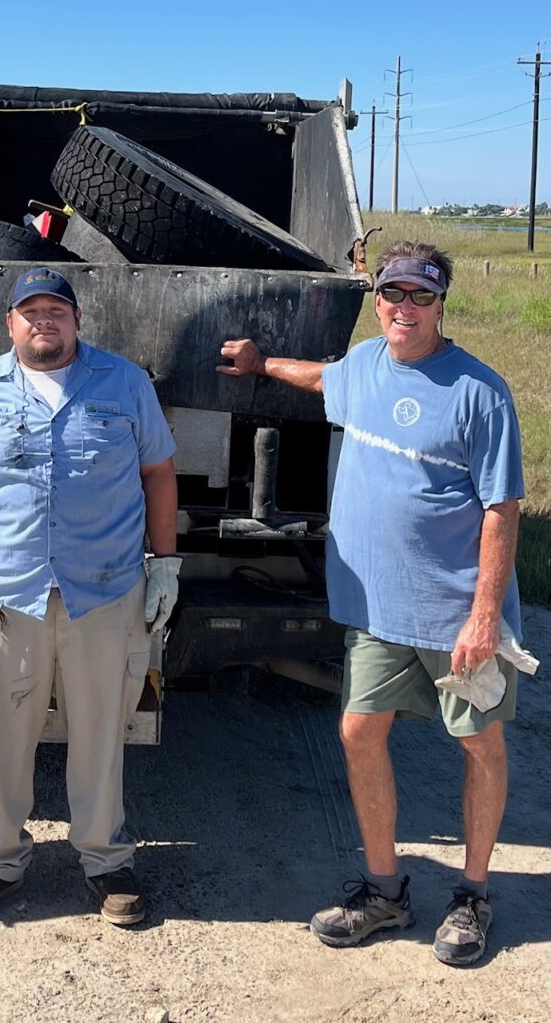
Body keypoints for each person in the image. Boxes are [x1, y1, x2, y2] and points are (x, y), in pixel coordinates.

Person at [217, 241, 524, 967]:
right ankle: (386, 891)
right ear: (378, 298)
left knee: (479, 744)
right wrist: (262, 365)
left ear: (442, 302)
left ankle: (473, 893)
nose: (404, 308)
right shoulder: (364, 366)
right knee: (359, 733)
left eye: (420, 296)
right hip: (378, 611)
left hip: (456, 617)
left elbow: (502, 510)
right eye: (393, 295)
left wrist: (484, 615)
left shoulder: (481, 392)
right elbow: (321, 379)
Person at [0, 266, 179, 926]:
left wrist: (168, 563)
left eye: (56, 311)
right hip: (5, 595)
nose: (44, 322)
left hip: (105, 592)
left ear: (77, 320)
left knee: (100, 732)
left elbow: (158, 472)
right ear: (10, 324)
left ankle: (106, 859)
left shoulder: (125, 385)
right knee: (0, 736)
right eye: (30, 312)